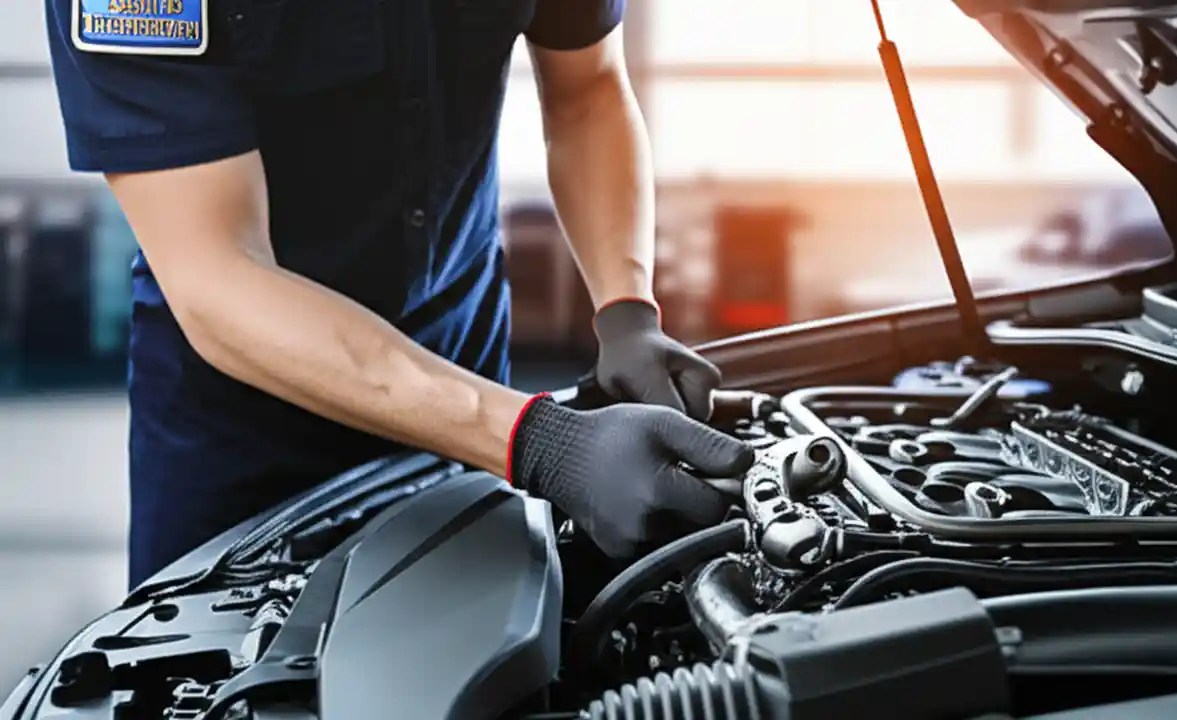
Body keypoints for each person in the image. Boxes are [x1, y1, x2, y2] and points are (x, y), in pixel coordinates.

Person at [44, 0, 754, 588]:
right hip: (243, 425)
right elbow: (217, 274)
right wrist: (533, 439)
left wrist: (626, 309)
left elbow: (588, 89)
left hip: (465, 363)